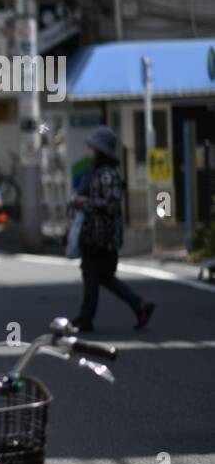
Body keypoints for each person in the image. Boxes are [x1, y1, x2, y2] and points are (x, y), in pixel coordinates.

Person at [71, 126, 156, 333]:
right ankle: (139, 305)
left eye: (91, 147)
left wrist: (85, 203)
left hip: (101, 237)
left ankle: (85, 319)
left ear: (100, 150)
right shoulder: (100, 172)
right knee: (102, 277)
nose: (88, 151)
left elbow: (111, 205)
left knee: (93, 276)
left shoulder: (107, 175)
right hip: (98, 236)